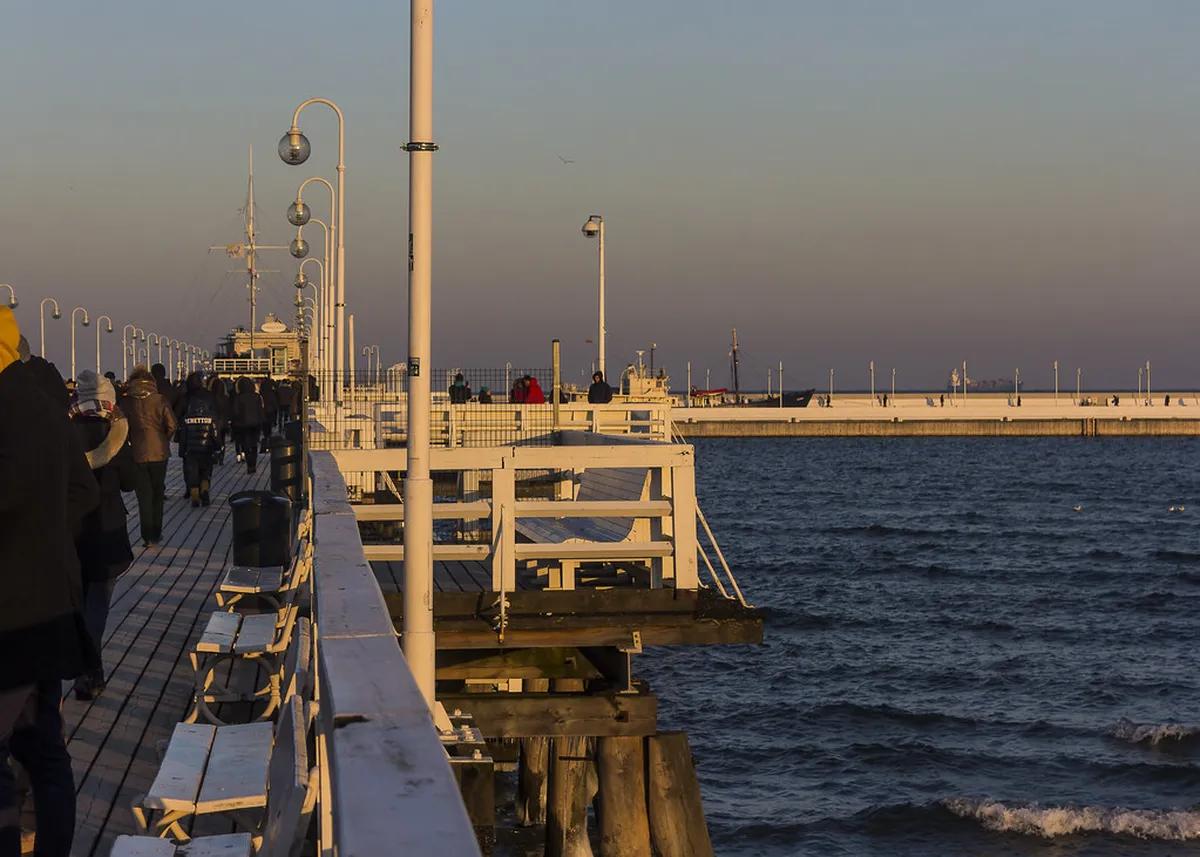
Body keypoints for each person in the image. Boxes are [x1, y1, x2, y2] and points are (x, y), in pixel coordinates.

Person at [0, 306, 98, 857]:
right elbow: (83, 493)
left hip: (10, 616)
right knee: (45, 752)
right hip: (52, 607)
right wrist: (47, 535)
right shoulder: (47, 411)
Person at [68, 371, 136, 700]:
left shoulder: (63, 428)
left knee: (79, 600)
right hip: (106, 527)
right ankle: (90, 669)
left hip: (73, 528)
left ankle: (86, 667)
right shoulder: (116, 429)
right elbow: (129, 481)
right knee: (99, 602)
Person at [123, 365, 177, 547]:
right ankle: (156, 532)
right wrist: (163, 439)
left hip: (137, 453)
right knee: (157, 492)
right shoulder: (160, 400)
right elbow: (172, 425)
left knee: (143, 496)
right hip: (159, 452)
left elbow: (122, 428)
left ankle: (146, 535)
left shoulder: (127, 402)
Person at [181, 373, 218, 506]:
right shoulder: (209, 396)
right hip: (207, 440)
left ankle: (193, 492)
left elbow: (180, 415)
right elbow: (215, 419)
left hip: (190, 441)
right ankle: (205, 489)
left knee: (191, 468)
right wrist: (217, 442)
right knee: (206, 468)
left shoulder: (186, 397)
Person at [231, 377, 265, 474]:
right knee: (254, 444)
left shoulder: (238, 397)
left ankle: (249, 463)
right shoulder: (257, 396)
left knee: (245, 444)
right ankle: (253, 464)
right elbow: (260, 410)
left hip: (243, 424)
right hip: (255, 424)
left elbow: (235, 412)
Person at [259, 378, 279, 453]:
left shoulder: (261, 393)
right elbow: (274, 404)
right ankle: (268, 443)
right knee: (269, 428)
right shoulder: (272, 393)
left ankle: (265, 441)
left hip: (263, 412)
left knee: (265, 428)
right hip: (270, 412)